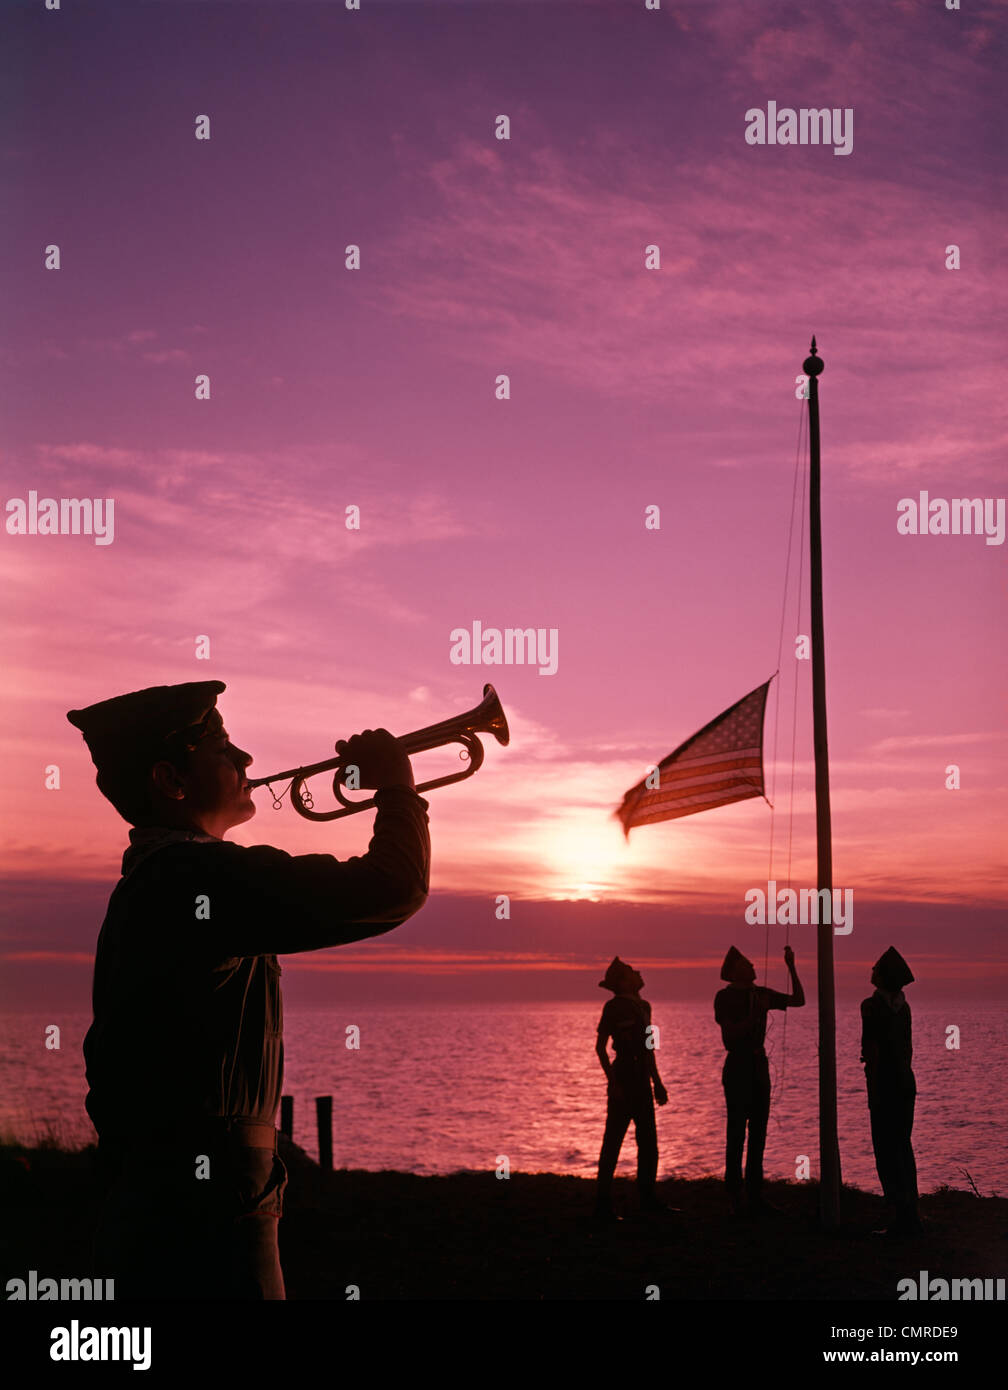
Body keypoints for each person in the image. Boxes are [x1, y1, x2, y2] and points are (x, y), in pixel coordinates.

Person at [68, 679, 430, 1299]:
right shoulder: (193, 877)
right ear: (171, 781)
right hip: (207, 1210)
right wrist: (398, 788)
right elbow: (394, 887)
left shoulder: (168, 880)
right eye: (222, 748)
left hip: (180, 1197)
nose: (246, 762)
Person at [714, 945, 804, 1215]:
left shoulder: (761, 993)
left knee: (759, 1133)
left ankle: (755, 1194)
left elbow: (798, 1000)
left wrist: (791, 966)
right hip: (738, 1064)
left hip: (758, 1065)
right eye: (746, 963)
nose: (752, 965)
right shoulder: (724, 997)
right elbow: (729, 1035)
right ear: (734, 972)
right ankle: (734, 1195)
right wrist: (755, 1015)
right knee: (736, 1132)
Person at [594, 957, 668, 1220]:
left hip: (641, 1078)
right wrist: (612, 1082)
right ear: (624, 981)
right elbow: (600, 1047)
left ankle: (647, 1198)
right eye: (632, 972)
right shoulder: (613, 1007)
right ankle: (603, 1202)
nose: (638, 973)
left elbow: (649, 1049)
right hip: (624, 1074)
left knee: (649, 1141)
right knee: (613, 1139)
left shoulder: (645, 1006)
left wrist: (657, 1082)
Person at [860, 946, 921, 1237]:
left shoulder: (871, 1006)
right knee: (903, 1147)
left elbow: (871, 1049)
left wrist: (872, 1084)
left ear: (883, 977)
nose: (871, 971)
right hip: (905, 1083)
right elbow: (906, 1049)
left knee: (885, 1150)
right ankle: (911, 1212)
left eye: (875, 968)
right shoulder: (904, 1007)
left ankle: (898, 1216)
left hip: (884, 1085)